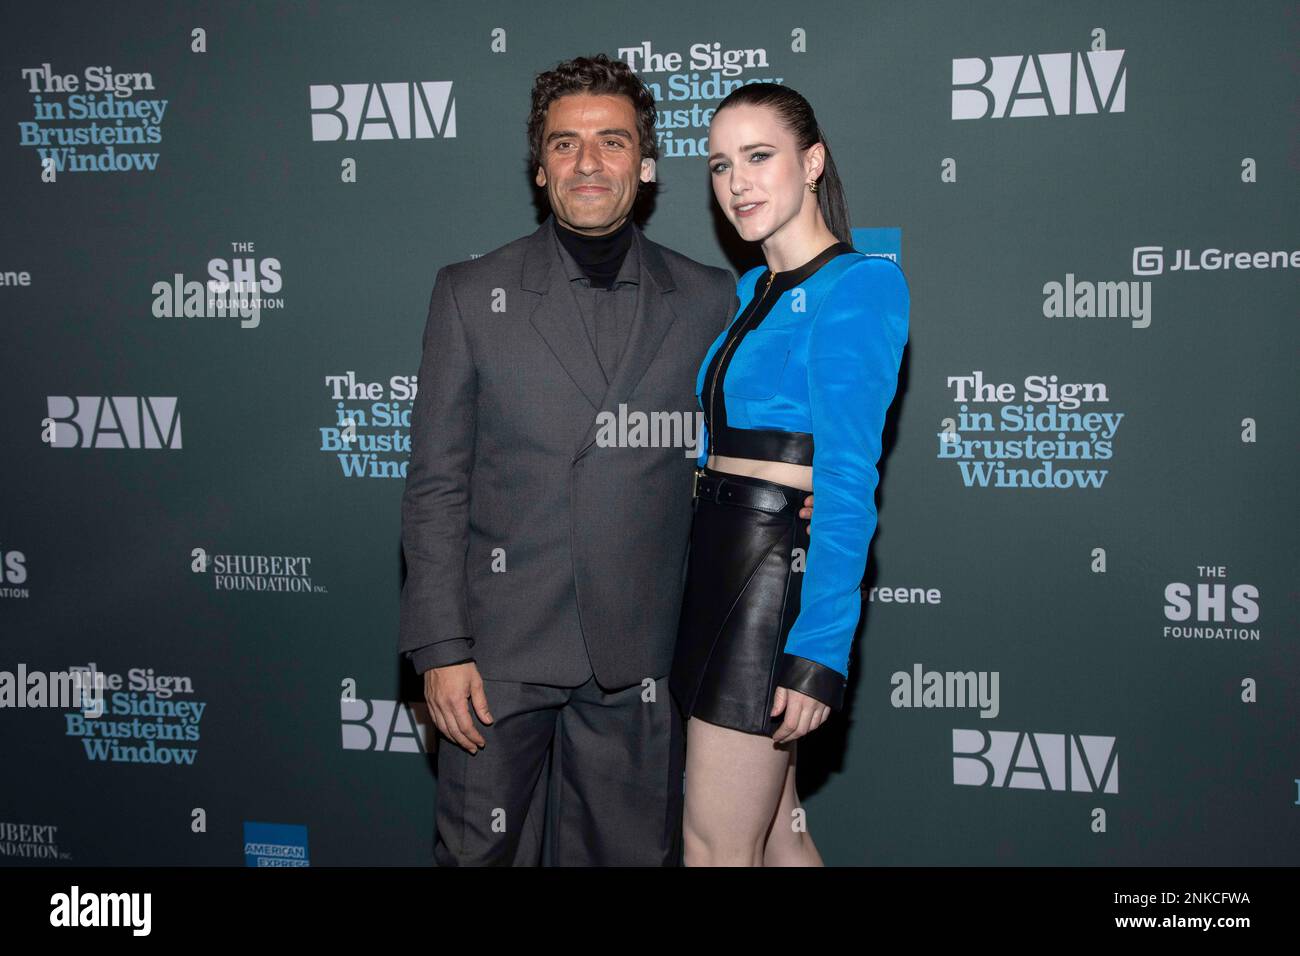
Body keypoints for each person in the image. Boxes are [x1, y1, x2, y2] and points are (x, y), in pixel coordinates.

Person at [397, 55, 814, 866]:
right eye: (565, 144)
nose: (588, 163)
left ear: (646, 164)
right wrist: (441, 648)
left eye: (612, 142)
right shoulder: (469, 292)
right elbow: (436, 485)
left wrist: (793, 495)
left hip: (642, 658)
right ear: (540, 164)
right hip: (498, 655)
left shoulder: (707, 299)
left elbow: (740, 444)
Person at [669, 83, 910, 866]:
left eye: (759, 156)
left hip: (769, 585)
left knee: (713, 848)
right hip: (720, 564)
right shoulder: (752, 291)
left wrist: (820, 652)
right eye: (719, 165)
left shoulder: (861, 285)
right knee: (780, 835)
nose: (736, 181)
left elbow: (845, 482)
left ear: (812, 163)